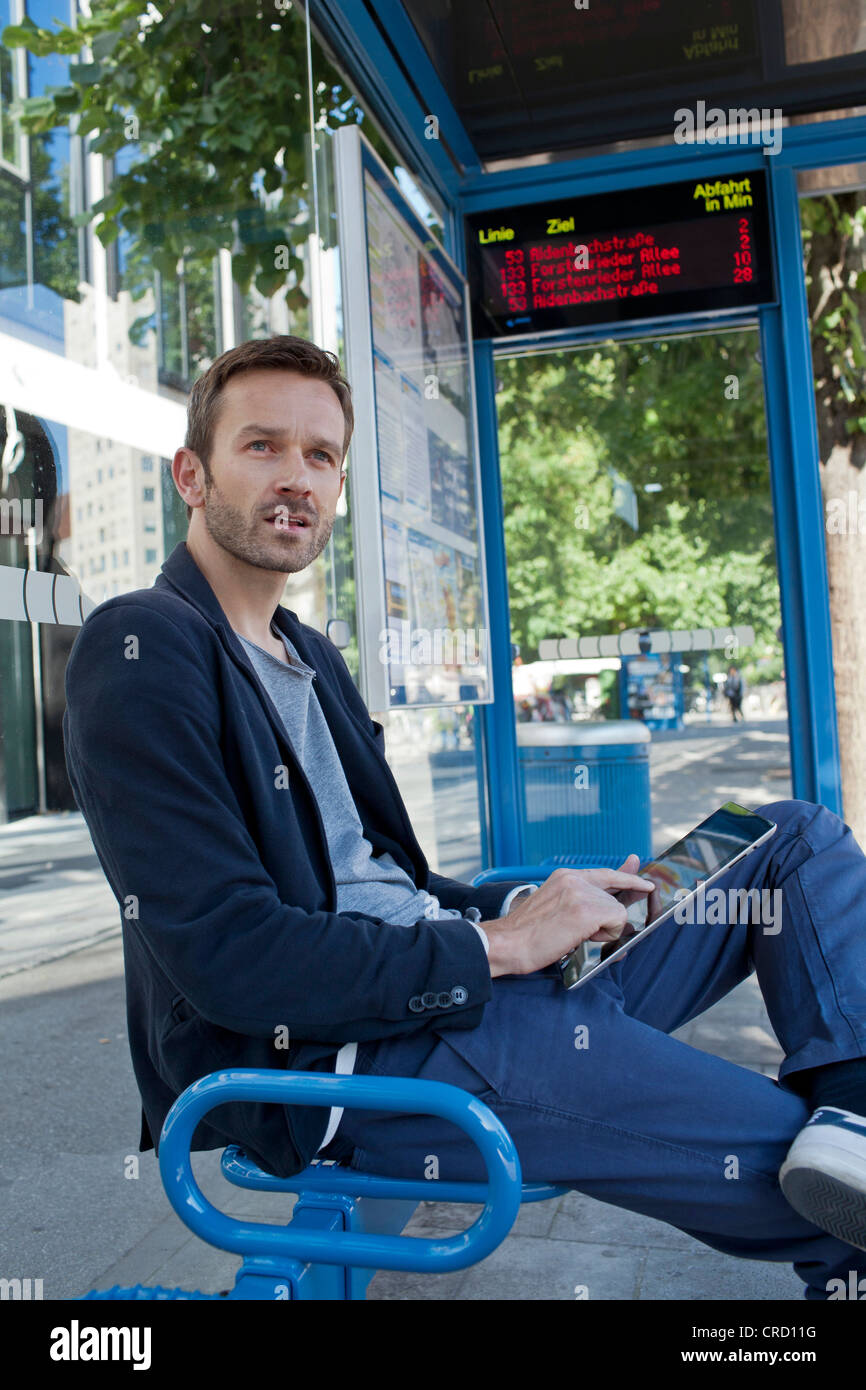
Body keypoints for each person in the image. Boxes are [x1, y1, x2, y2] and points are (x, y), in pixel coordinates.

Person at [63, 336, 866, 1300]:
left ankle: (853, 1101)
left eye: (320, 457)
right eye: (262, 447)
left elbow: (385, 879)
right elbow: (233, 958)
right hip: (361, 1056)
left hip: (464, 982)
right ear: (191, 473)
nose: (295, 479)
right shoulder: (140, 645)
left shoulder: (307, 652)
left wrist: (533, 902)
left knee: (788, 838)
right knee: (818, 1181)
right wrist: (498, 947)